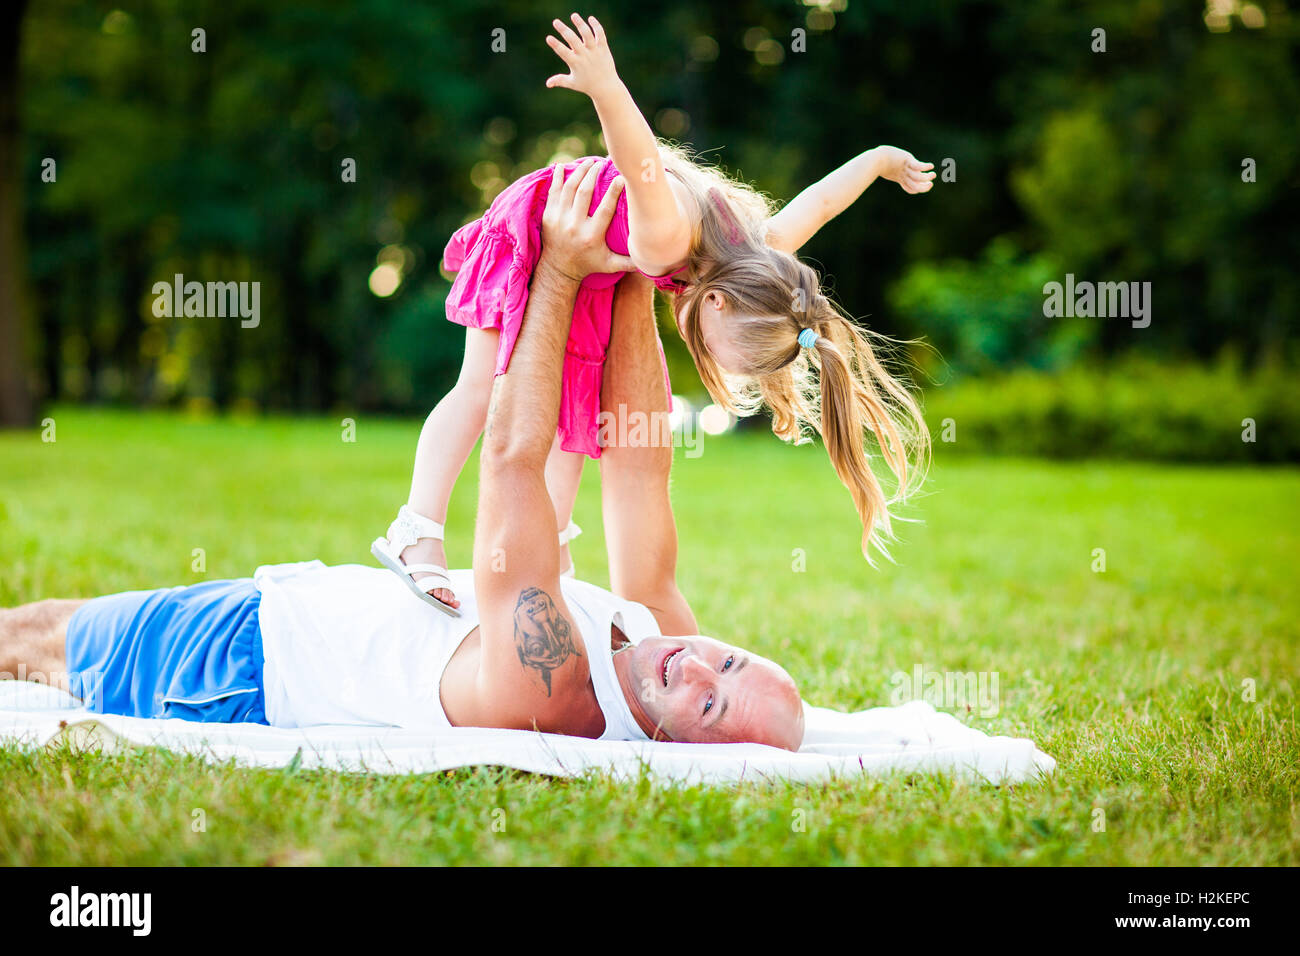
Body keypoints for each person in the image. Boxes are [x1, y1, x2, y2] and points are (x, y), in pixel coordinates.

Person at [0, 162, 806, 751]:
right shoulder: (657, 632)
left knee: (27, 642)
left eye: (711, 708)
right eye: (729, 661)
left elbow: (514, 460)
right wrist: (636, 262)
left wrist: (563, 269)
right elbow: (637, 461)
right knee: (30, 630)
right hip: (280, 610)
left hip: (236, 664)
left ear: (679, 753)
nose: (699, 670)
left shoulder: (557, 689)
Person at [373, 13, 936, 617]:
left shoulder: (751, 250)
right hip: (538, 233)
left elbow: (819, 204)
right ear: (716, 303)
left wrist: (878, 161)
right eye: (720, 351)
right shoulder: (668, 240)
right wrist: (606, 86)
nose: (705, 354)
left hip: (588, 270)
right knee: (482, 388)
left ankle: (553, 551)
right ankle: (417, 529)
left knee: (573, 415)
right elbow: (641, 165)